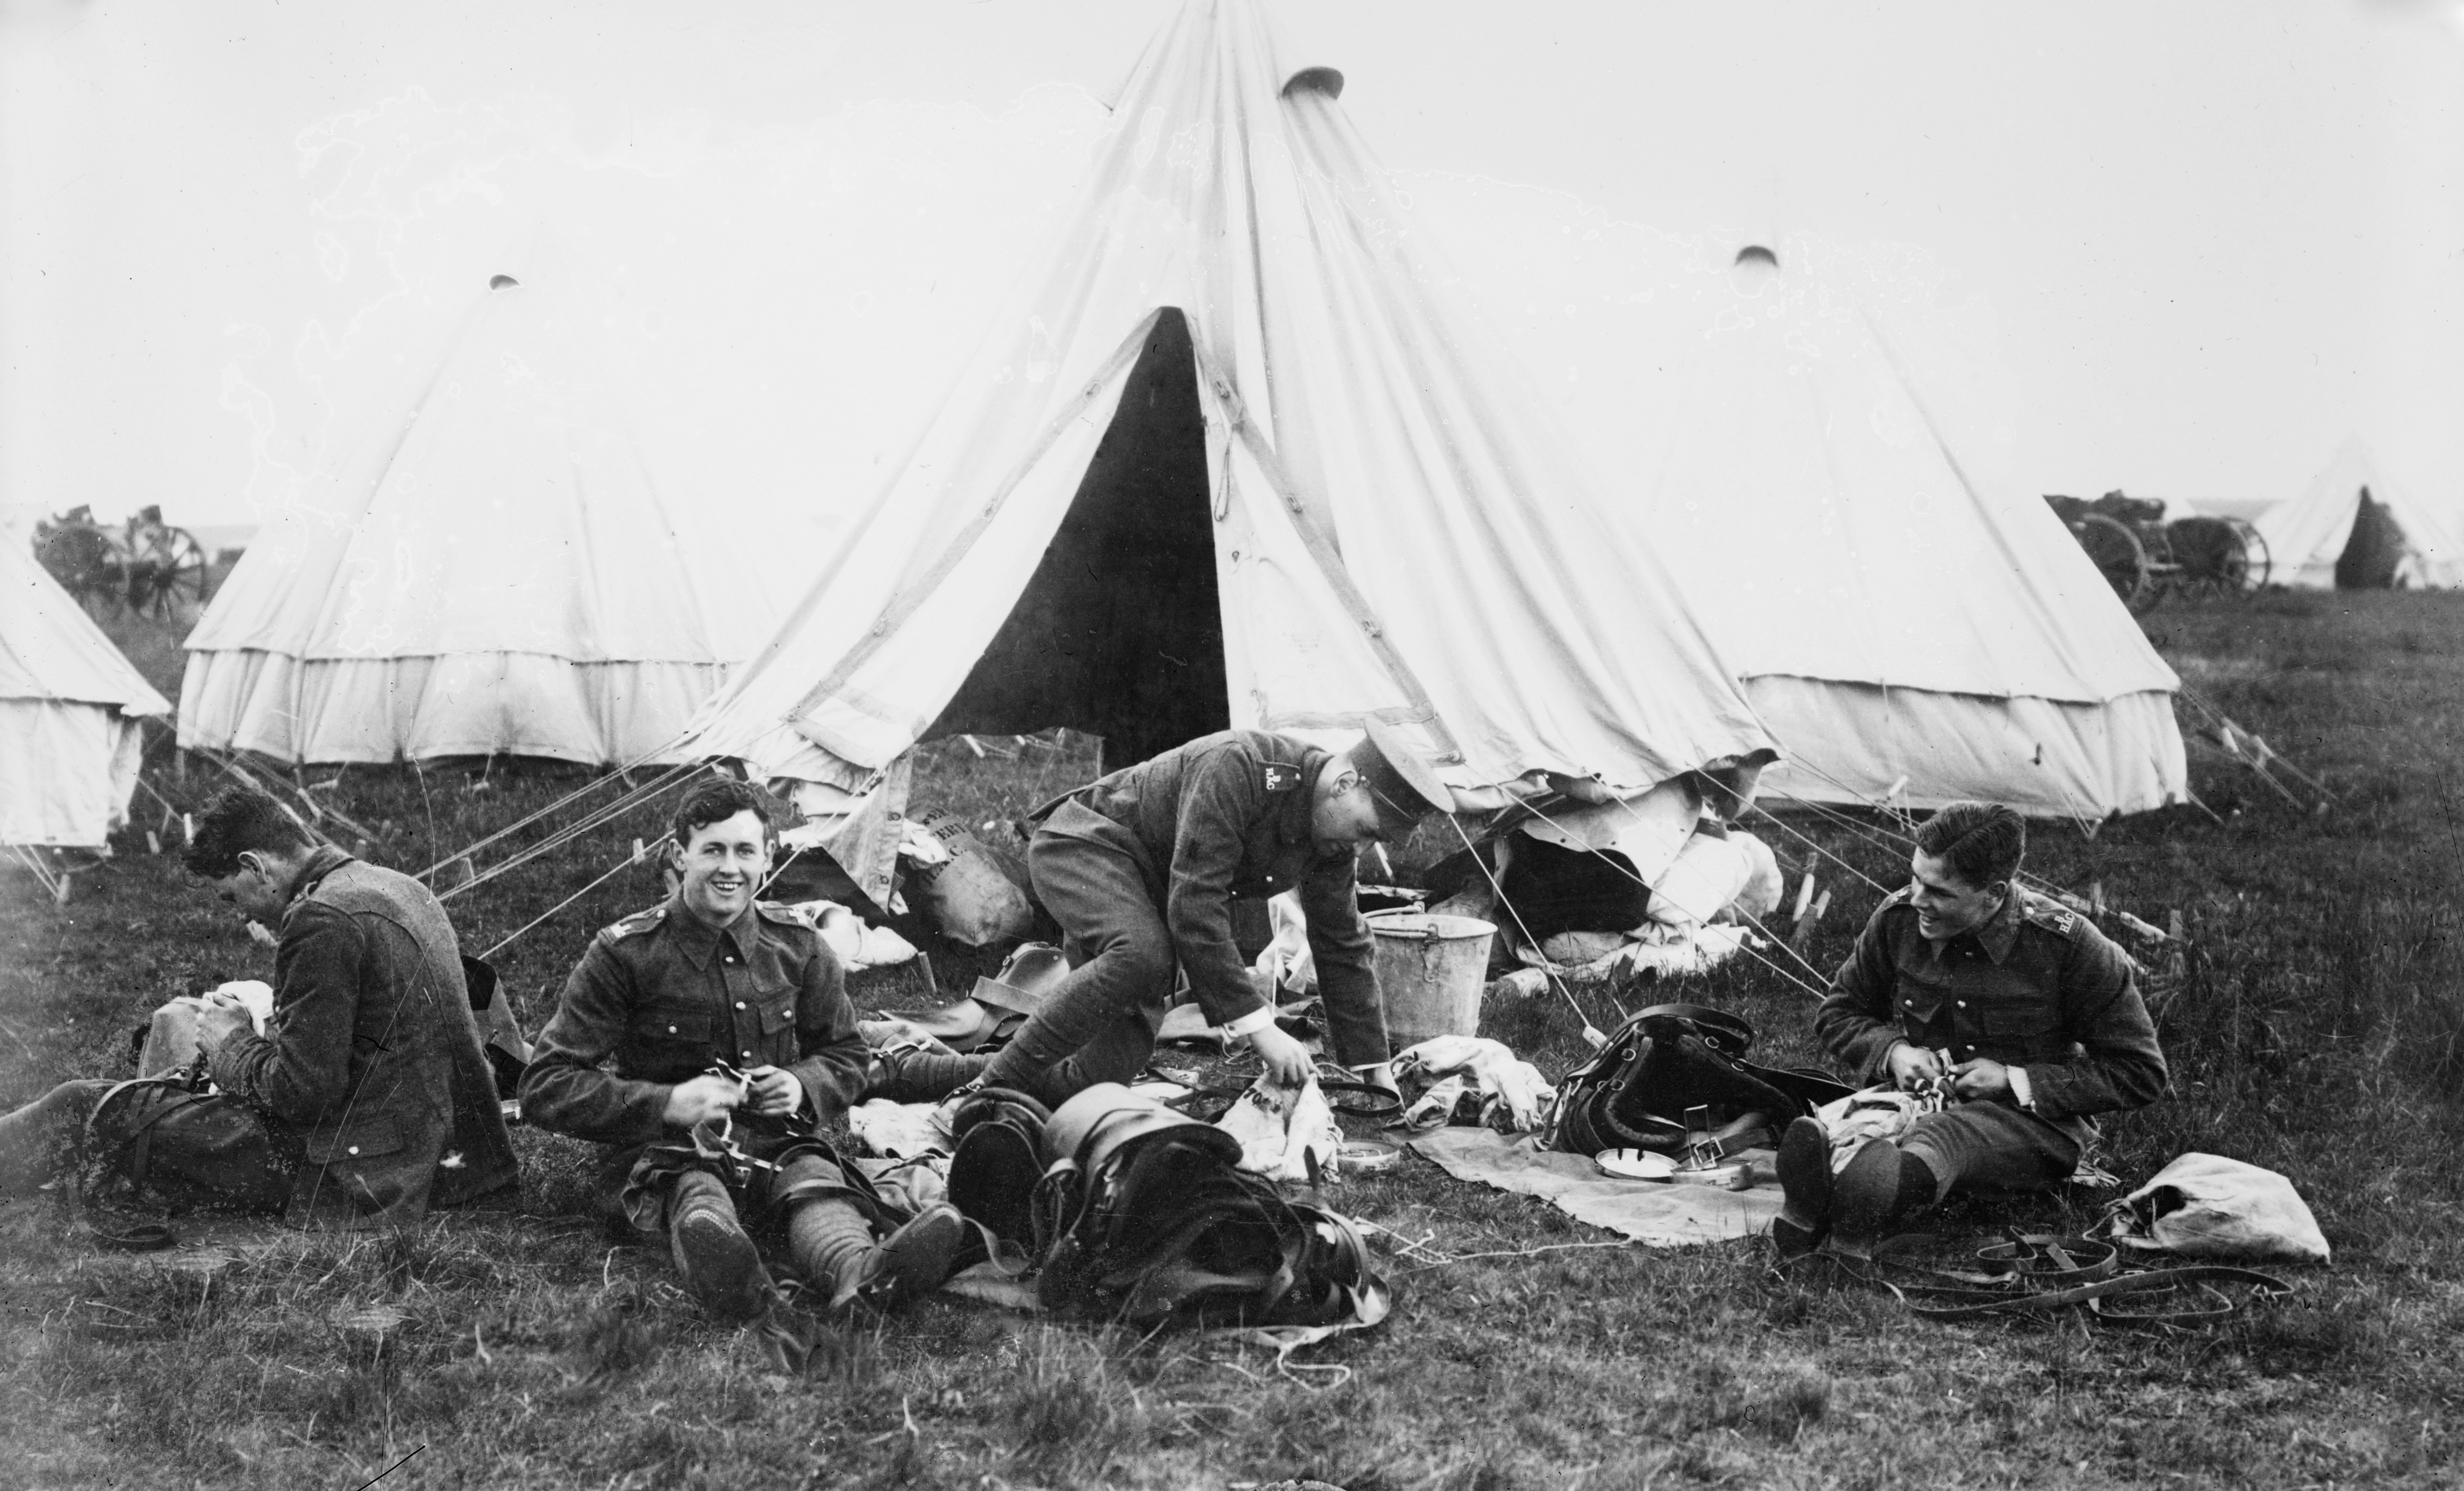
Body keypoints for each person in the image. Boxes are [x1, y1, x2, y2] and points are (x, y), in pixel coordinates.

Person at [519, 779, 965, 1322]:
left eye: (745, 851)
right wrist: (665, 1103)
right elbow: (546, 1084)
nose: (730, 868)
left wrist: (804, 1084)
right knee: (695, 1191)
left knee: (812, 1183)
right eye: (713, 850)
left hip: (779, 1143)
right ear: (680, 856)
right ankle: (733, 1280)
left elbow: (847, 1054)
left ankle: (862, 1276)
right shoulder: (626, 955)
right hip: (665, 1150)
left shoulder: (798, 946)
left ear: (768, 857)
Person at [0, 784, 520, 1227]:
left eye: (231, 897)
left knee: (83, 1104)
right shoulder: (398, 886)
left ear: (254, 865)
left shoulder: (321, 919)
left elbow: (303, 1094)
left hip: (365, 1174)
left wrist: (231, 1044)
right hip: (449, 1159)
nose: (237, 914)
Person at [870, 722, 1455, 1111]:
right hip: (1088, 848)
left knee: (1091, 1086)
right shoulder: (1243, 768)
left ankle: (896, 1069)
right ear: (1345, 783)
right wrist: (1261, 1030)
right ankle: (983, 1092)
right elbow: (1195, 908)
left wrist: (1372, 1069)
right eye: (1366, 831)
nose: (1359, 851)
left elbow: (1343, 941)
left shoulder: (1328, 834)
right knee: (1144, 957)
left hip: (1146, 884)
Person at [1778, 801, 2168, 1255]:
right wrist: (1893, 1052)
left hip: (2033, 1127)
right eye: (1915, 879)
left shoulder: (2070, 947)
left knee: (1944, 1136)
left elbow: (2140, 1073)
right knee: (1850, 1126)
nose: (1918, 900)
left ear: (1994, 892)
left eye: (1939, 892)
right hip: (1919, 1101)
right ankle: (1843, 1191)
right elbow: (1839, 1011)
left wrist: (2013, 1080)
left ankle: (1870, 1201)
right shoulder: (1897, 920)